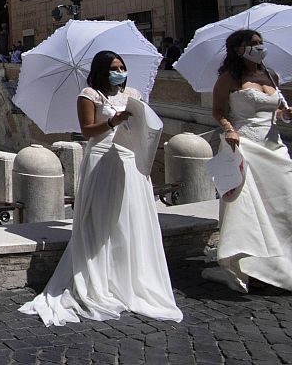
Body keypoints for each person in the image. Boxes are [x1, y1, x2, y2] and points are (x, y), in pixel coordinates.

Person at [20, 50, 182, 325]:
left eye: (122, 66)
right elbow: (87, 131)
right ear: (101, 70)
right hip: (102, 158)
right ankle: (99, 281)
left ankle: (129, 279)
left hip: (130, 159)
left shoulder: (133, 93)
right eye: (114, 67)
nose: (119, 71)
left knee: (130, 220)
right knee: (102, 219)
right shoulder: (89, 94)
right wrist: (112, 121)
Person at [204, 29, 292, 293]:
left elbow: (275, 110)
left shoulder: (271, 74)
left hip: (274, 147)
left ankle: (281, 260)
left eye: (260, 42)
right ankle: (245, 263)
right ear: (238, 49)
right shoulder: (228, 78)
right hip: (244, 145)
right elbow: (218, 111)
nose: (258, 46)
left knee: (283, 201)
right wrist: (229, 129)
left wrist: (285, 113)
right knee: (247, 207)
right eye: (252, 44)